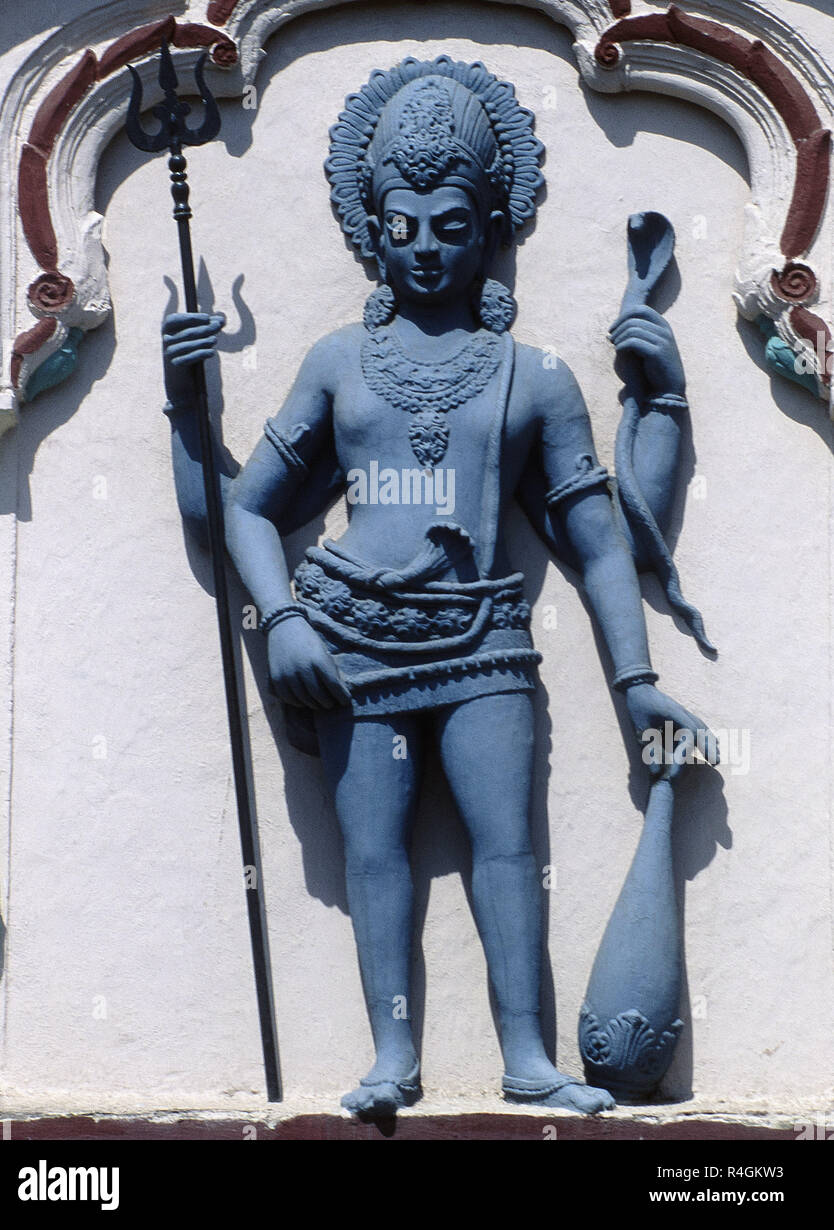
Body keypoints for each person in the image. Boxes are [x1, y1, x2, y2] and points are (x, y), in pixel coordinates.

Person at [161, 56, 716, 1119]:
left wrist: (633, 677)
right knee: (376, 854)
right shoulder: (336, 364)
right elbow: (241, 508)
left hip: (485, 643)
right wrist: (193, 426)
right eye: (403, 226)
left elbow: (594, 540)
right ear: (371, 227)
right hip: (349, 638)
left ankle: (523, 1050)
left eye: (450, 225)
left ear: (491, 224)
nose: (424, 249)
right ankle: (390, 1051)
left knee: (509, 847)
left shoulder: (531, 375)